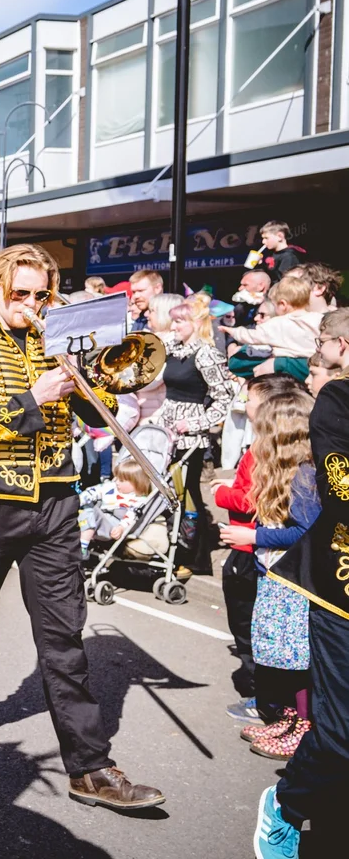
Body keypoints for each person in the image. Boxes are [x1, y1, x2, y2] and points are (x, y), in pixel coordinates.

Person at [0, 243, 164, 811]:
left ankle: (89, 766)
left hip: (56, 502)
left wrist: (95, 374)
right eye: (22, 294)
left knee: (64, 637)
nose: (33, 304)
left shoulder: (55, 345)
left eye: (42, 295)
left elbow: (98, 414)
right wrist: (32, 398)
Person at [254, 306, 349, 857]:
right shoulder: (339, 402)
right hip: (341, 591)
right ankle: (287, 805)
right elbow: (340, 489)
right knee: (340, 736)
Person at [220, 385, 316, 761]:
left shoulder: (304, 479)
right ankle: (289, 717)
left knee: (297, 660)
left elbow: (302, 532)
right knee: (279, 658)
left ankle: (305, 730)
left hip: (293, 579)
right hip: (274, 572)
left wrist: (253, 534)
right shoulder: (283, 473)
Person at [153, 296, 234, 572]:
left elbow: (225, 397)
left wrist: (197, 422)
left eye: (179, 321)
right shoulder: (174, 348)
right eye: (173, 320)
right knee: (169, 490)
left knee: (187, 493)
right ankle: (172, 545)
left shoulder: (206, 353)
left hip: (190, 434)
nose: (173, 326)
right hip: (167, 427)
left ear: (195, 323)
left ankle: (192, 556)